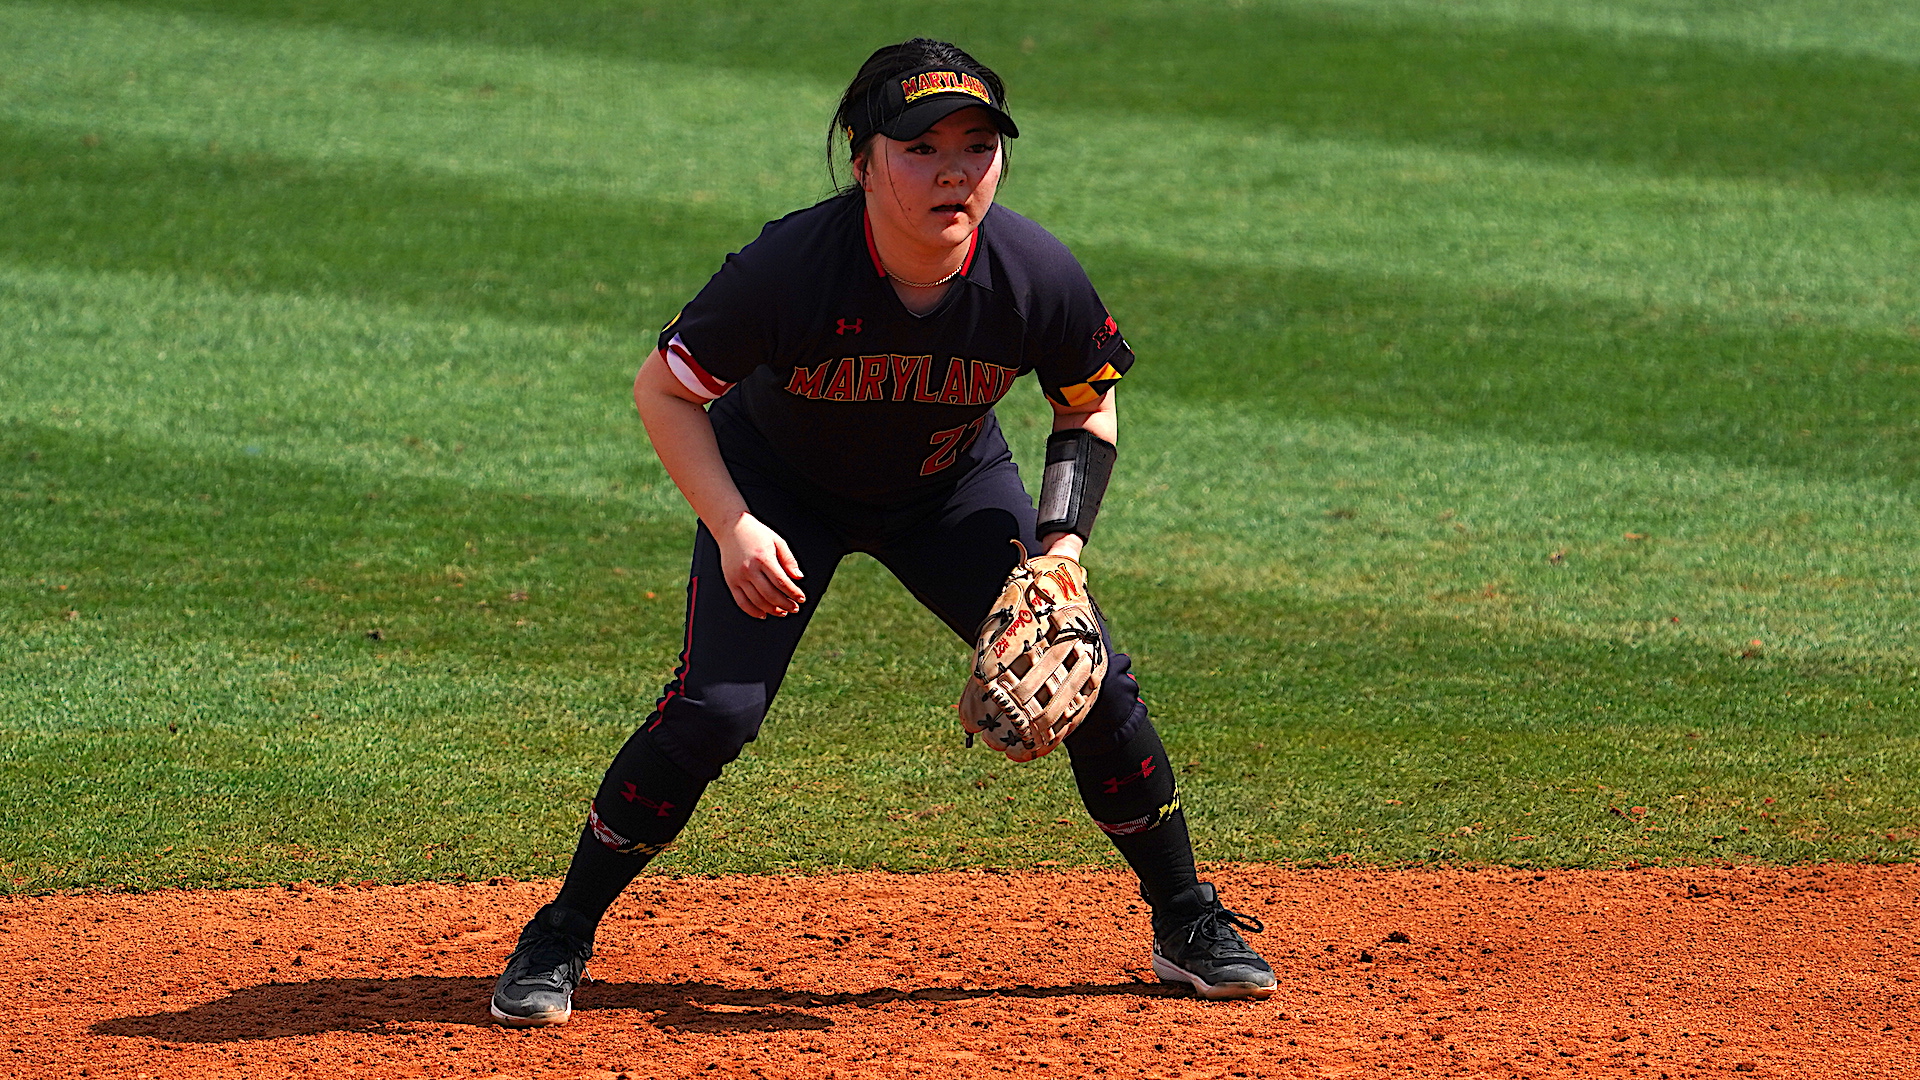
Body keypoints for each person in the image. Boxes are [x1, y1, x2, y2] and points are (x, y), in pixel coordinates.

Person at [489, 38, 1275, 1026]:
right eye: (919, 146)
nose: (953, 169)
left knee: (1092, 675)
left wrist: (1061, 551)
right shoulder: (791, 271)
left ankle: (1187, 921)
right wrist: (733, 526)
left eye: (977, 145)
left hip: (948, 488)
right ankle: (559, 933)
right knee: (716, 711)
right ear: (863, 162)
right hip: (779, 491)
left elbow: (1085, 407)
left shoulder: (1034, 274)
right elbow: (665, 390)